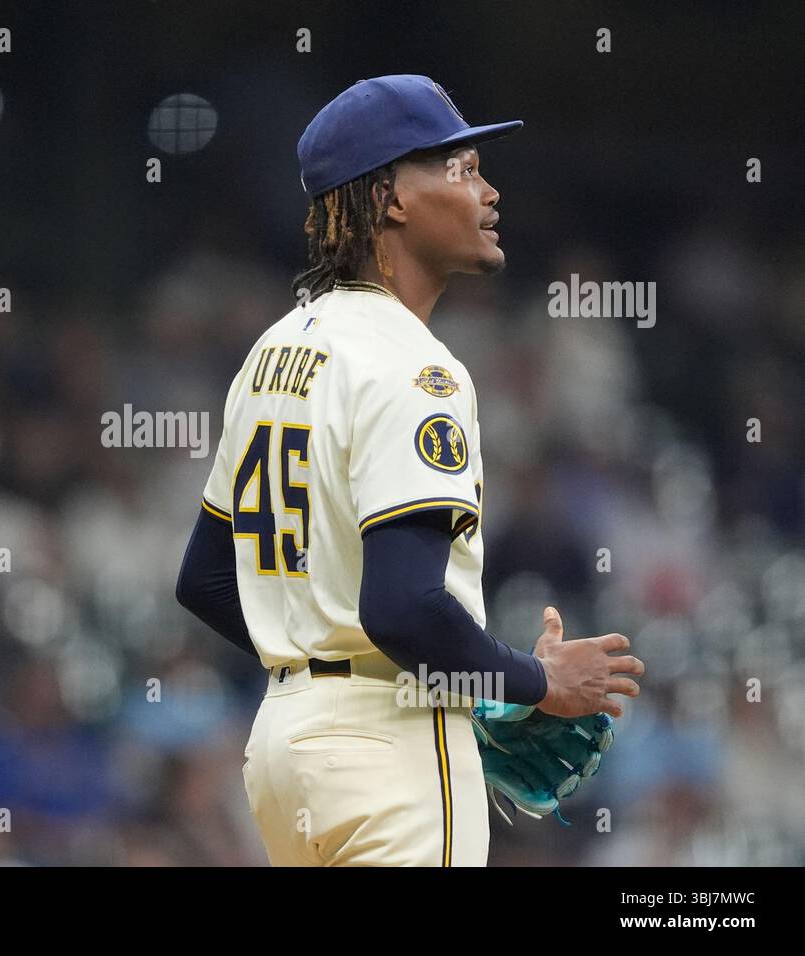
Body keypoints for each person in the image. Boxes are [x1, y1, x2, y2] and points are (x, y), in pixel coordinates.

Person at [175, 75, 645, 867]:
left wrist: (327, 667)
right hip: (390, 752)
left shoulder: (274, 350)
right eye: (462, 167)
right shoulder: (416, 367)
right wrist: (530, 681)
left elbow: (205, 580)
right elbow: (403, 608)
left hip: (287, 751)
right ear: (391, 197)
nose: (489, 191)